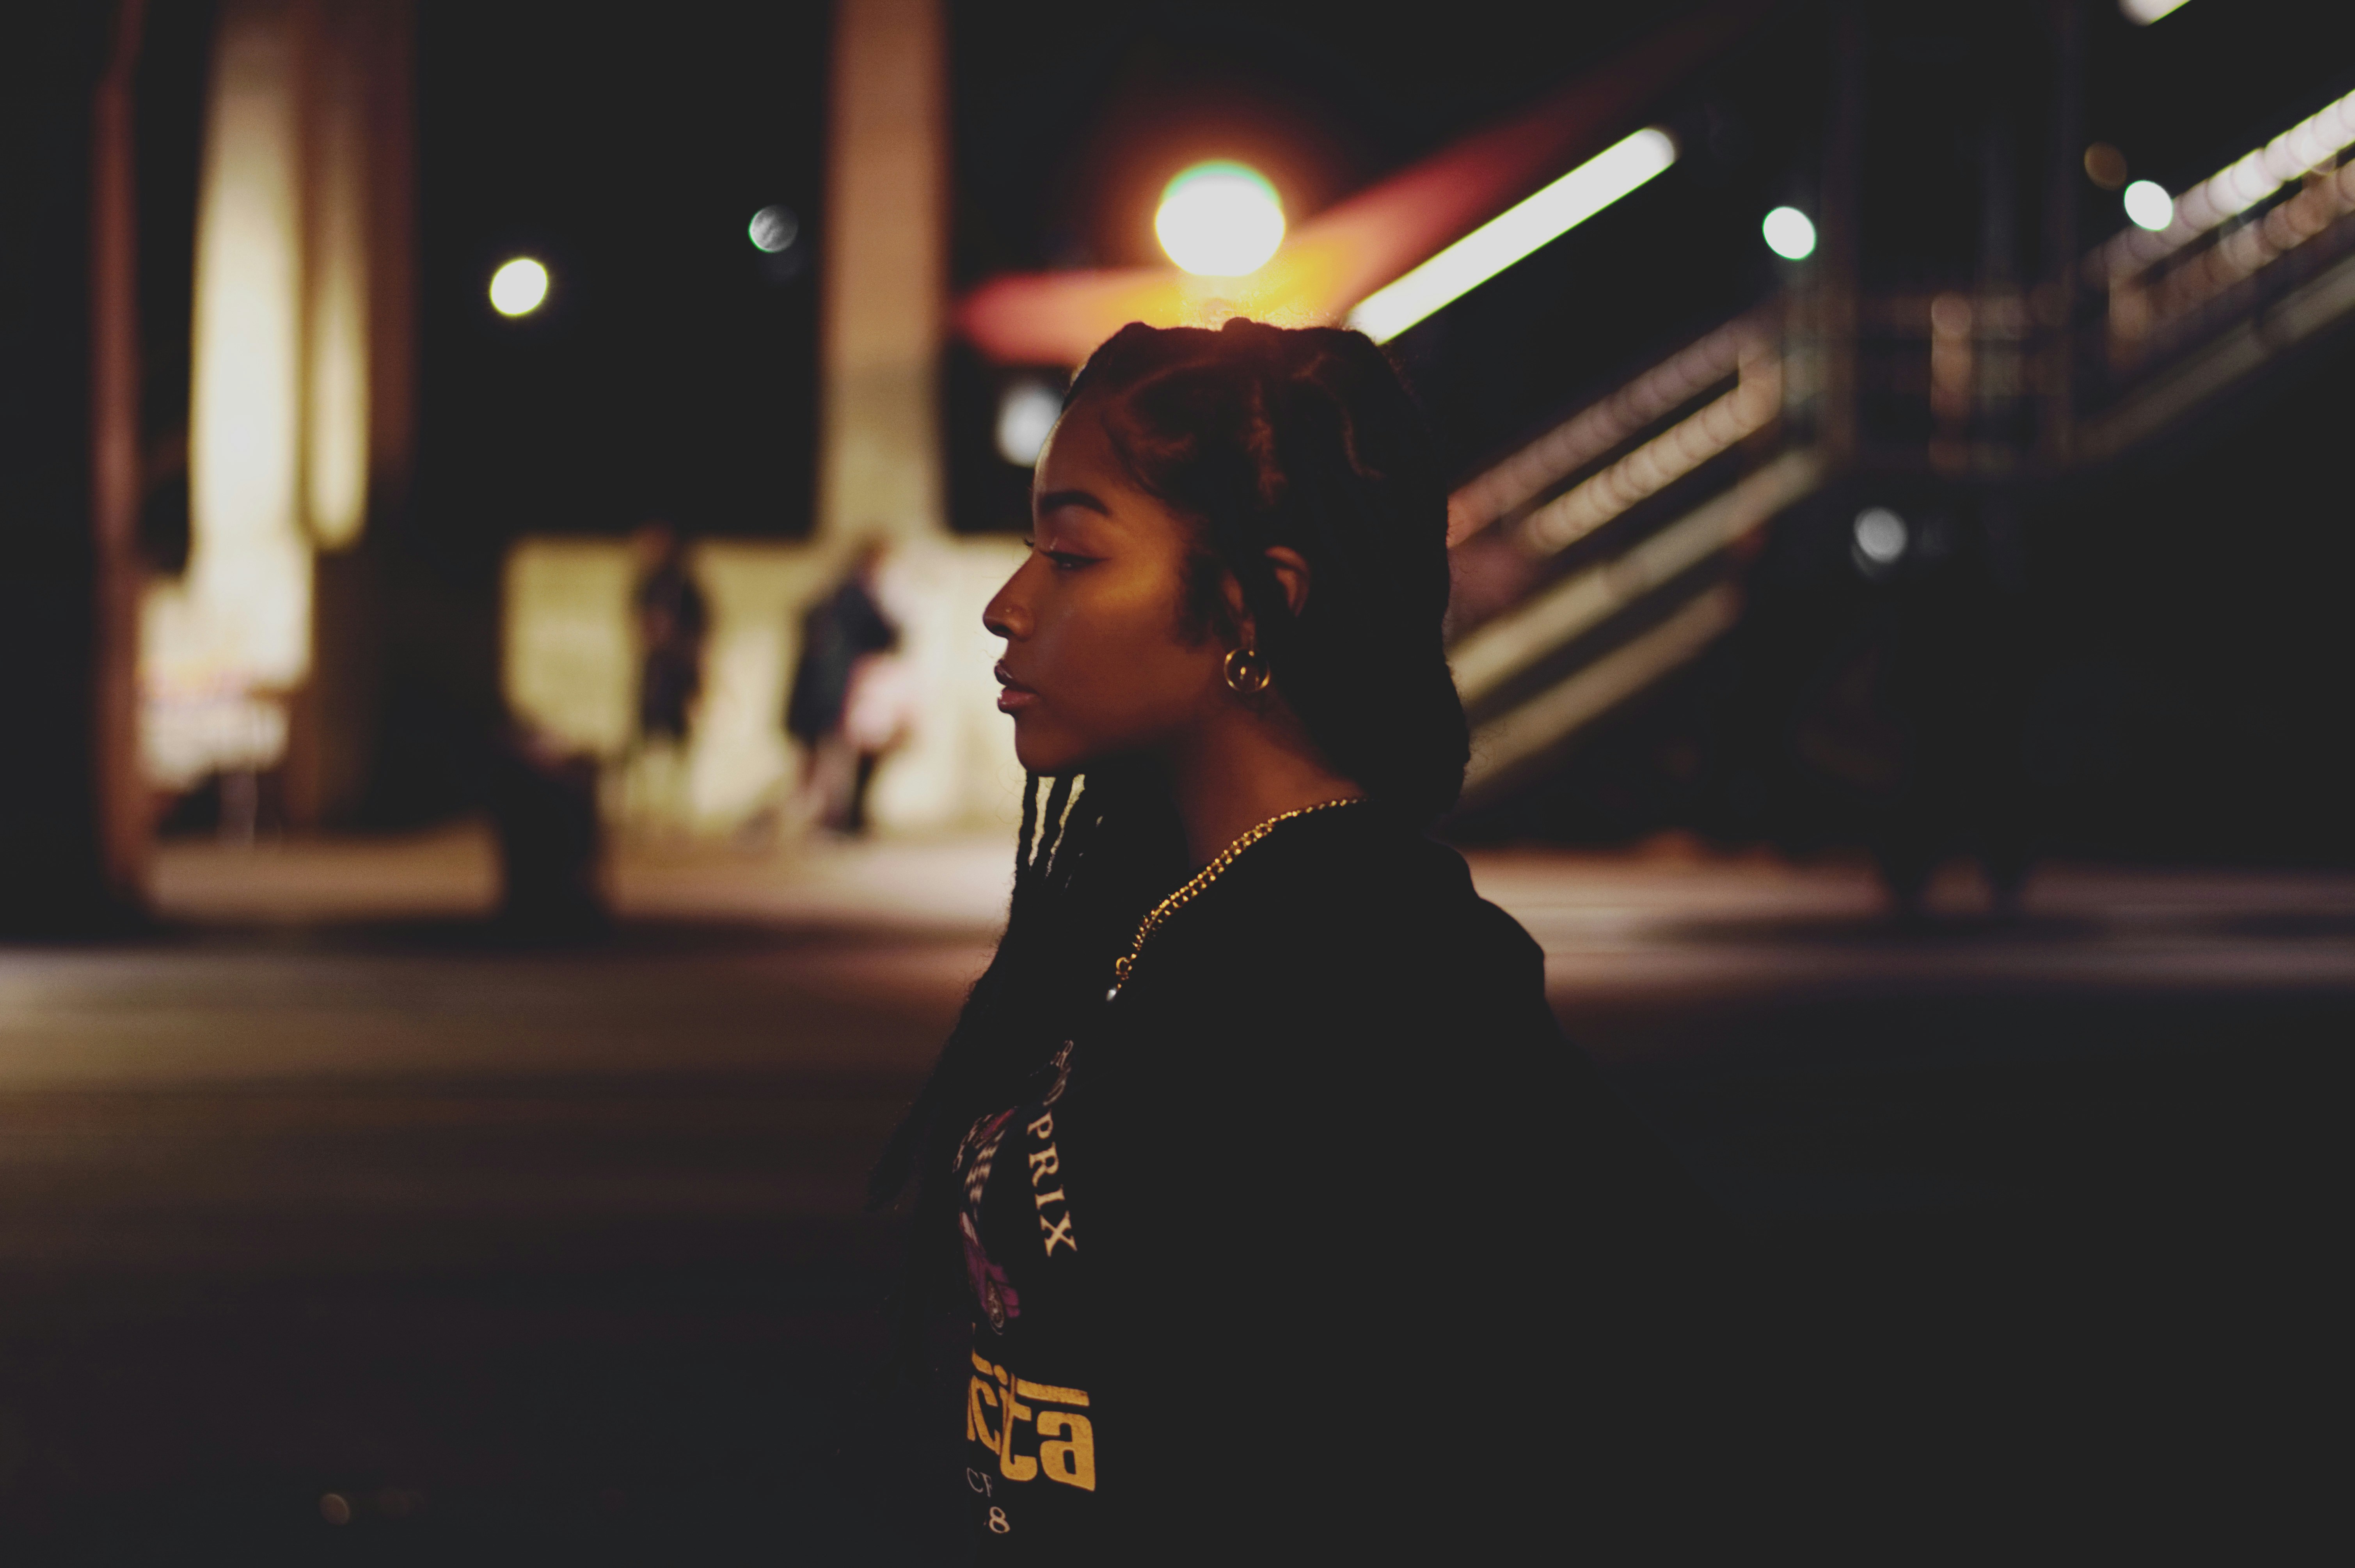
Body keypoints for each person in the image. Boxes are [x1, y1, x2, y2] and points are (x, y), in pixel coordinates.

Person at [869, 319, 1726, 1561]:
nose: (1008, 605)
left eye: (1068, 552)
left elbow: (1617, 1371)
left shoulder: (1376, 972)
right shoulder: (1162, 909)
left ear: (1250, 601)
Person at [785, 539, 904, 834]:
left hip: (823, 692)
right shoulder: (857, 598)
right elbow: (890, 635)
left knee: (821, 759)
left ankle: (823, 816)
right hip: (838, 693)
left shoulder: (832, 597)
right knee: (836, 757)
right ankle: (833, 817)